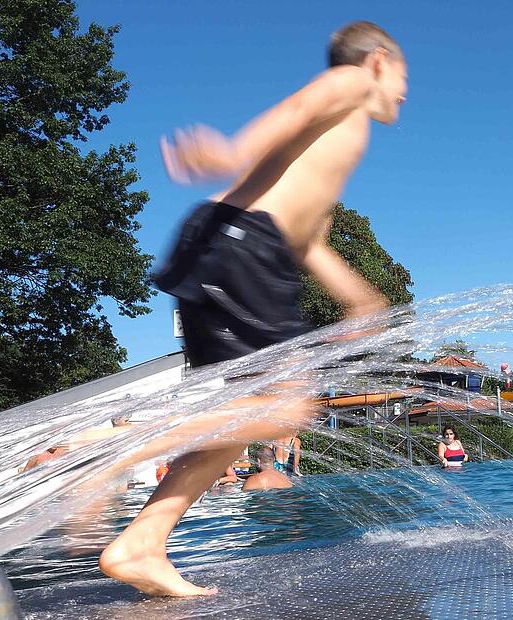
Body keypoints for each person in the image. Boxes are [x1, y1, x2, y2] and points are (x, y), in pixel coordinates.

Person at [97, 21, 408, 597]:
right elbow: (297, 105)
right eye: (403, 75)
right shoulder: (351, 84)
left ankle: (140, 543)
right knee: (285, 412)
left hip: (239, 244)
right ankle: (112, 448)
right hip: (244, 242)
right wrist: (232, 150)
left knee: (245, 420)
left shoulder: (336, 143)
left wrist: (360, 297)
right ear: (379, 62)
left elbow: (308, 240)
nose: (404, 92)